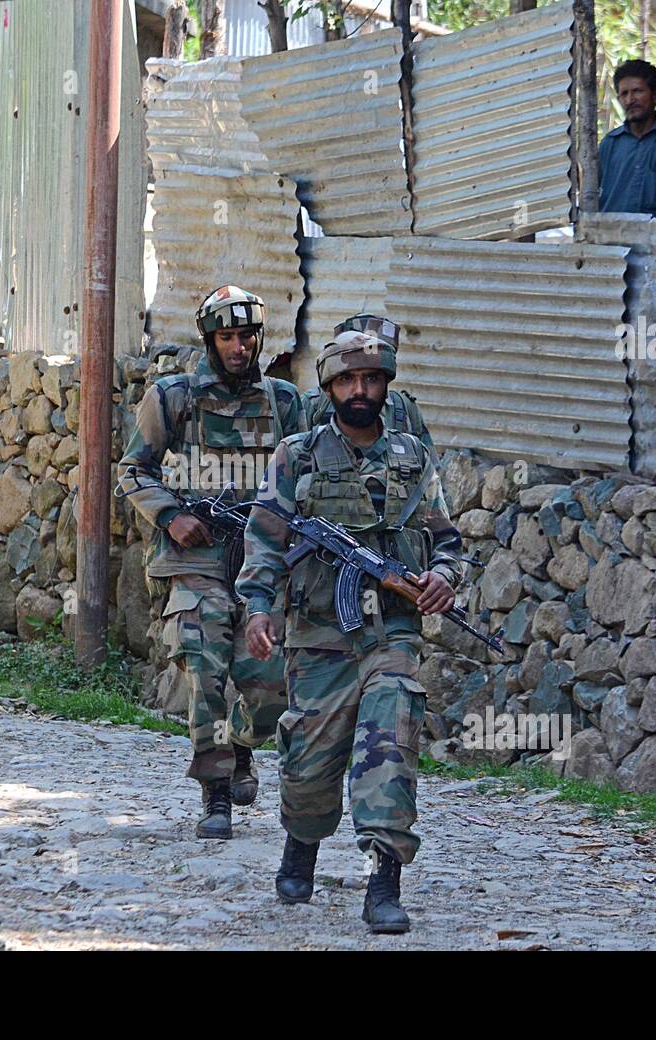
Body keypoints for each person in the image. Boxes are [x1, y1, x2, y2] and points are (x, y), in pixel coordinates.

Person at [237, 330, 463, 934]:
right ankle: (302, 843)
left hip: (391, 635)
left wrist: (443, 577)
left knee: (393, 731)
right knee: (309, 764)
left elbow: (446, 539)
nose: (359, 391)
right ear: (330, 386)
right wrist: (258, 607)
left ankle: (384, 879)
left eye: (370, 379)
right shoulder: (298, 456)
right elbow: (264, 538)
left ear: (386, 383)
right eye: (346, 380)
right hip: (317, 637)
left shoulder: (413, 457)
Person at [118, 285, 306, 839]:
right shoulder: (174, 397)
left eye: (248, 336)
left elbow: (303, 480)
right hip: (196, 558)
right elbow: (135, 470)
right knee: (204, 664)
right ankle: (215, 791)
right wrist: (170, 515)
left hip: (262, 562)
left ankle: (243, 744)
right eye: (228, 336)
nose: (239, 347)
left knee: (269, 683)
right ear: (210, 340)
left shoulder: (284, 402)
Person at [302, 314, 435, 459]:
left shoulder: (403, 406)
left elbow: (428, 463)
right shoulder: (315, 403)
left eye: (371, 377)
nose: (359, 390)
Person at [599, 58, 656, 218]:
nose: (630, 100)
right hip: (612, 237)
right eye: (624, 94)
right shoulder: (609, 144)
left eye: (637, 91)